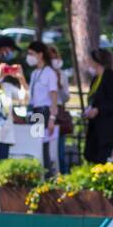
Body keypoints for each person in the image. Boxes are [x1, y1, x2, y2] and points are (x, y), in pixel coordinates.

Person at [82, 47, 113, 164]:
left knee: (103, 157)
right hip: (96, 125)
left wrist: (98, 110)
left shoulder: (111, 77)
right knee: (91, 154)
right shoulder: (96, 79)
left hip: (108, 127)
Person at [26, 40, 59, 175]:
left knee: (42, 145)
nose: (29, 57)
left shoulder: (49, 72)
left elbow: (54, 96)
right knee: (35, 143)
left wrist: (52, 117)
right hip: (35, 111)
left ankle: (46, 175)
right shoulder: (34, 73)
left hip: (44, 111)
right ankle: (37, 173)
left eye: (31, 54)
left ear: (40, 55)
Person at [47, 44, 73, 174]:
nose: (55, 59)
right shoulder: (40, 74)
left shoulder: (62, 74)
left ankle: (62, 175)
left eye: (56, 56)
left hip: (59, 113)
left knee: (59, 151)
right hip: (44, 113)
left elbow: (65, 97)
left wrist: (59, 85)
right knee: (45, 149)